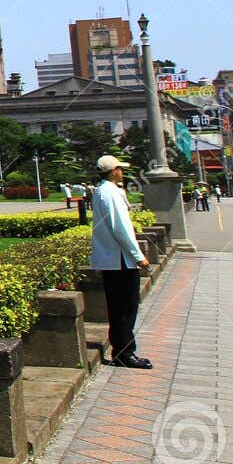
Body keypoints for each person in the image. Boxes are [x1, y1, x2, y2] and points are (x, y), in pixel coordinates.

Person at [90, 155, 151, 369]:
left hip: (114, 258)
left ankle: (121, 351)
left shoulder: (105, 191)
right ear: (112, 171)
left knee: (120, 307)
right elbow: (121, 229)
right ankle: (125, 353)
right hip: (120, 259)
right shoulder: (109, 193)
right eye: (119, 169)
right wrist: (138, 255)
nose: (122, 172)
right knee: (125, 307)